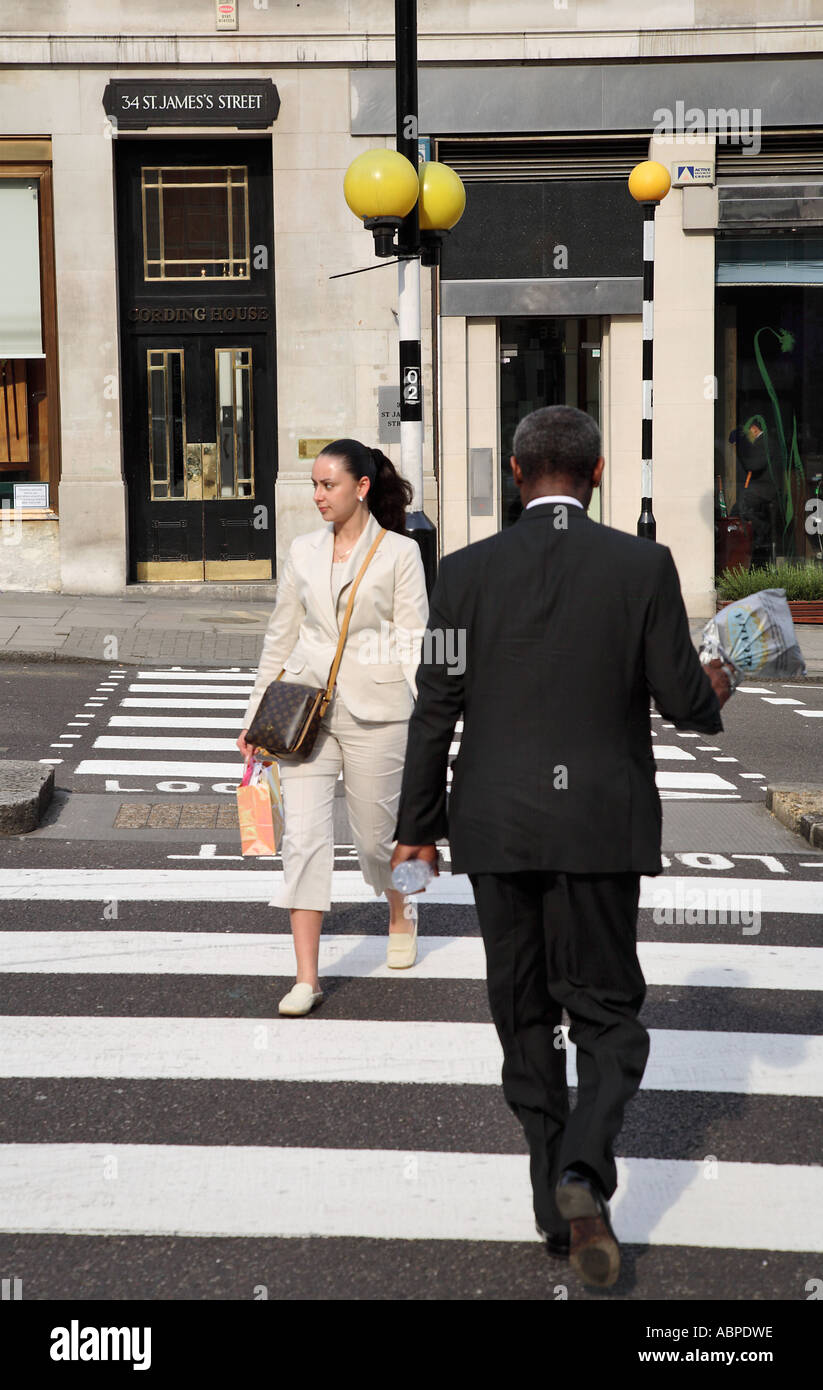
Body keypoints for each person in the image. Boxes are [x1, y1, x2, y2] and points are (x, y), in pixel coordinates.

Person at [391, 405, 732, 1287]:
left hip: (496, 826)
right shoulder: (641, 565)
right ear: (600, 472)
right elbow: (683, 702)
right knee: (607, 1013)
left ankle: (556, 1208)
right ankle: (584, 1169)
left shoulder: (461, 575)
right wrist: (716, 680)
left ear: (514, 472)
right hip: (600, 826)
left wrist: (415, 828)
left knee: (524, 1013)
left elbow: (436, 706)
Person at [238, 439, 429, 1016]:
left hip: (380, 709)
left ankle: (402, 907)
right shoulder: (301, 551)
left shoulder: (400, 553)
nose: (318, 496)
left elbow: (413, 638)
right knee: (303, 840)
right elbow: (281, 634)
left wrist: (429, 719)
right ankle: (306, 978)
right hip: (302, 711)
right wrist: (253, 718)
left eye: (329, 485)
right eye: (314, 486)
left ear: (361, 487)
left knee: (375, 837)